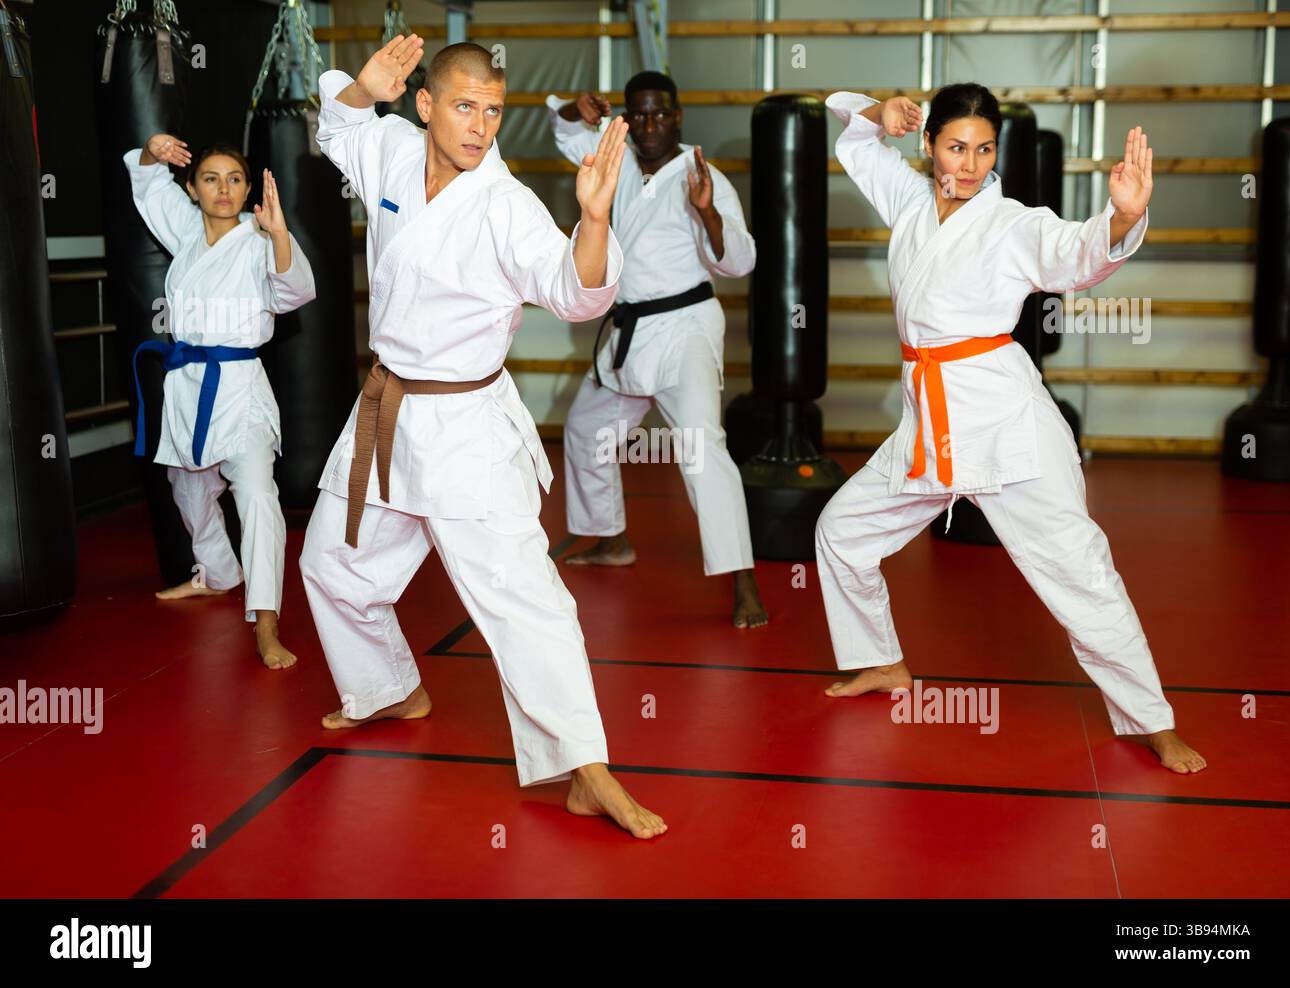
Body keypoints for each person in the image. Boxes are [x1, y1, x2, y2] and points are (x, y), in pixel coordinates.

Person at [298, 35, 667, 838]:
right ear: (425, 106)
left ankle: (584, 768)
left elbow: (575, 291)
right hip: (389, 409)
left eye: (493, 110)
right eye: (464, 106)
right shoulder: (393, 152)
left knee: (525, 599)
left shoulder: (505, 205)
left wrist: (595, 219)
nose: (480, 126)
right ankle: (389, 688)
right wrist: (364, 88)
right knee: (330, 563)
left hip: (466, 425)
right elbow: (335, 128)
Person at [815, 84, 1206, 774]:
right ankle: (881, 661)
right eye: (954, 146)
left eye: (984, 149)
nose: (968, 164)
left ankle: (1152, 721)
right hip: (927, 426)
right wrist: (880, 114)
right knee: (841, 533)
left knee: (1081, 571)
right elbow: (853, 143)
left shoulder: (1011, 223)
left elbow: (1075, 253)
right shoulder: (909, 203)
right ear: (929, 143)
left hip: (1004, 425)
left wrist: (1119, 221)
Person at [547, 74, 767, 628]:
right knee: (585, 430)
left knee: (700, 450)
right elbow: (567, 135)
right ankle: (613, 538)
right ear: (627, 117)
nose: (649, 125)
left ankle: (744, 580)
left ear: (678, 116)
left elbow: (740, 261)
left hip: (684, 330)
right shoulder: (613, 162)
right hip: (629, 332)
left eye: (659, 114)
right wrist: (575, 110)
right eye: (638, 115)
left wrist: (708, 213)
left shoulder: (703, 176)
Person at [125, 136, 316, 670]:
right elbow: (145, 181)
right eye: (211, 178)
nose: (223, 188)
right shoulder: (185, 233)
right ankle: (219, 573)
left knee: (256, 495)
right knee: (186, 489)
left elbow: (294, 291)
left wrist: (279, 233)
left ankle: (267, 621)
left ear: (249, 188)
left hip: (240, 388)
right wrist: (150, 149)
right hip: (188, 387)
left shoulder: (260, 240)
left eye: (235, 179)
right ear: (193, 188)